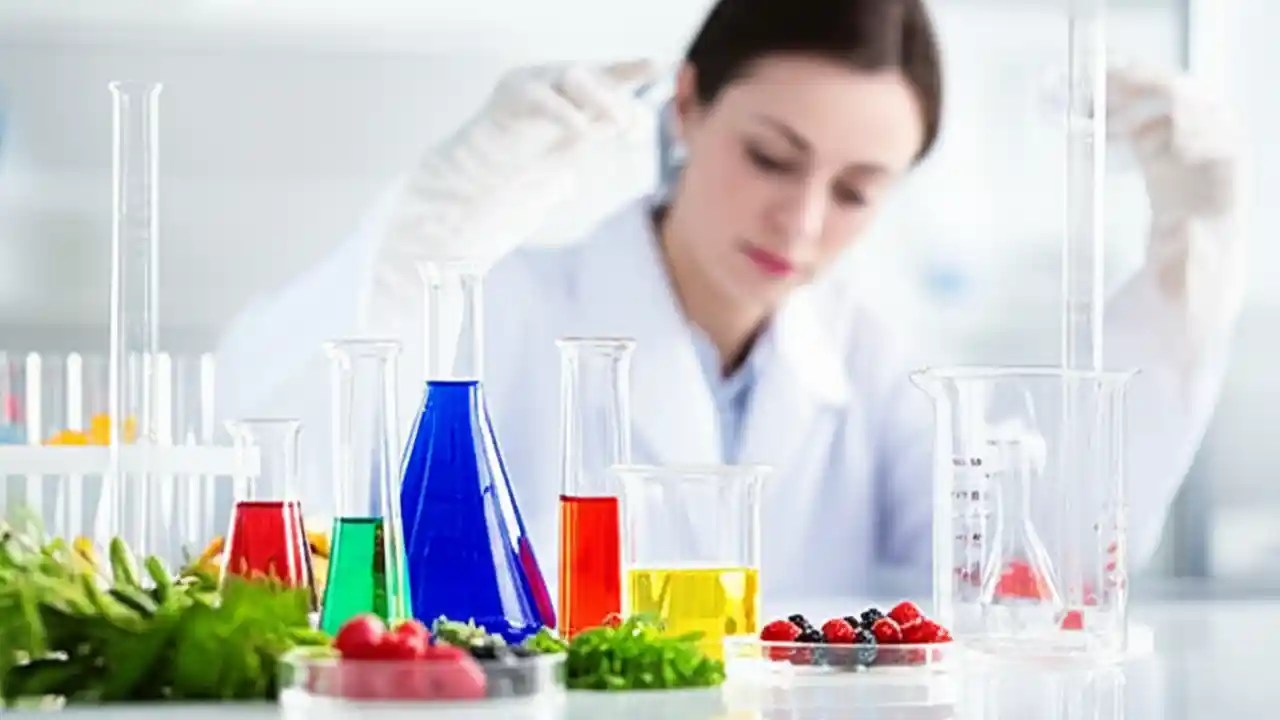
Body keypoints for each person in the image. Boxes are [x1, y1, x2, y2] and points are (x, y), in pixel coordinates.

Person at [215, 0, 1246, 598]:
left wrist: (1187, 262)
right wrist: (420, 237)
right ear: (688, 104)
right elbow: (266, 494)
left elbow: (1034, 565)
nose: (800, 224)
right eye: (769, 158)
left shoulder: (874, 363)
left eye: (853, 190)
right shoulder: (500, 309)